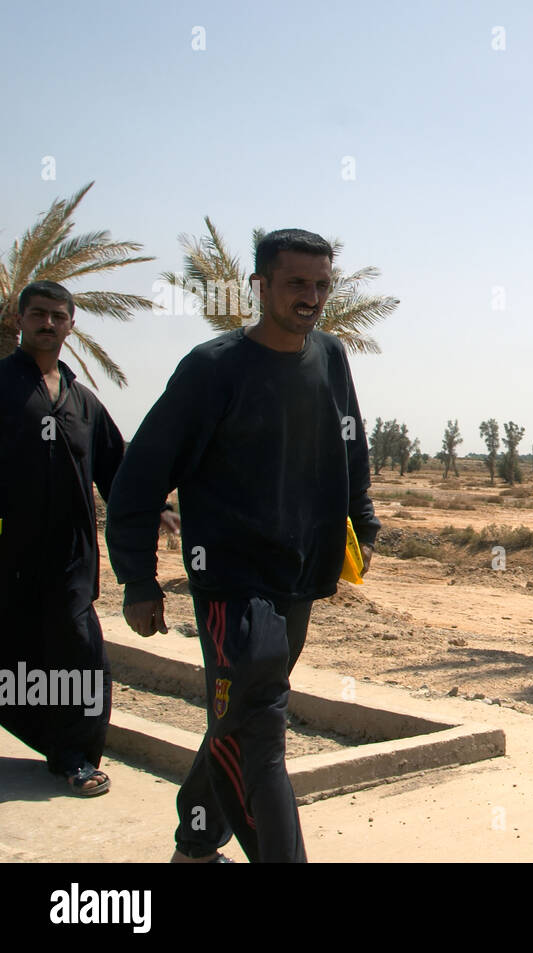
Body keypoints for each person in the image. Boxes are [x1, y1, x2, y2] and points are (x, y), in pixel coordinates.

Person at [106, 229, 381, 863]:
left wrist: (362, 527)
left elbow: (351, 446)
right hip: (231, 585)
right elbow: (140, 478)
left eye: (321, 285)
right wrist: (139, 579)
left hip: (300, 578)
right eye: (296, 283)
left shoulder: (330, 356)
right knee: (260, 735)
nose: (311, 297)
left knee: (243, 715)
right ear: (259, 286)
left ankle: (196, 846)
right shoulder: (213, 368)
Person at [0, 281, 175, 795]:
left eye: (58, 316)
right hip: (8, 552)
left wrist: (156, 508)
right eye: (38, 314)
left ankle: (74, 756)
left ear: (71, 325)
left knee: (78, 652)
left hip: (70, 557)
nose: (47, 323)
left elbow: (118, 470)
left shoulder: (83, 402)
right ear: (19, 319)